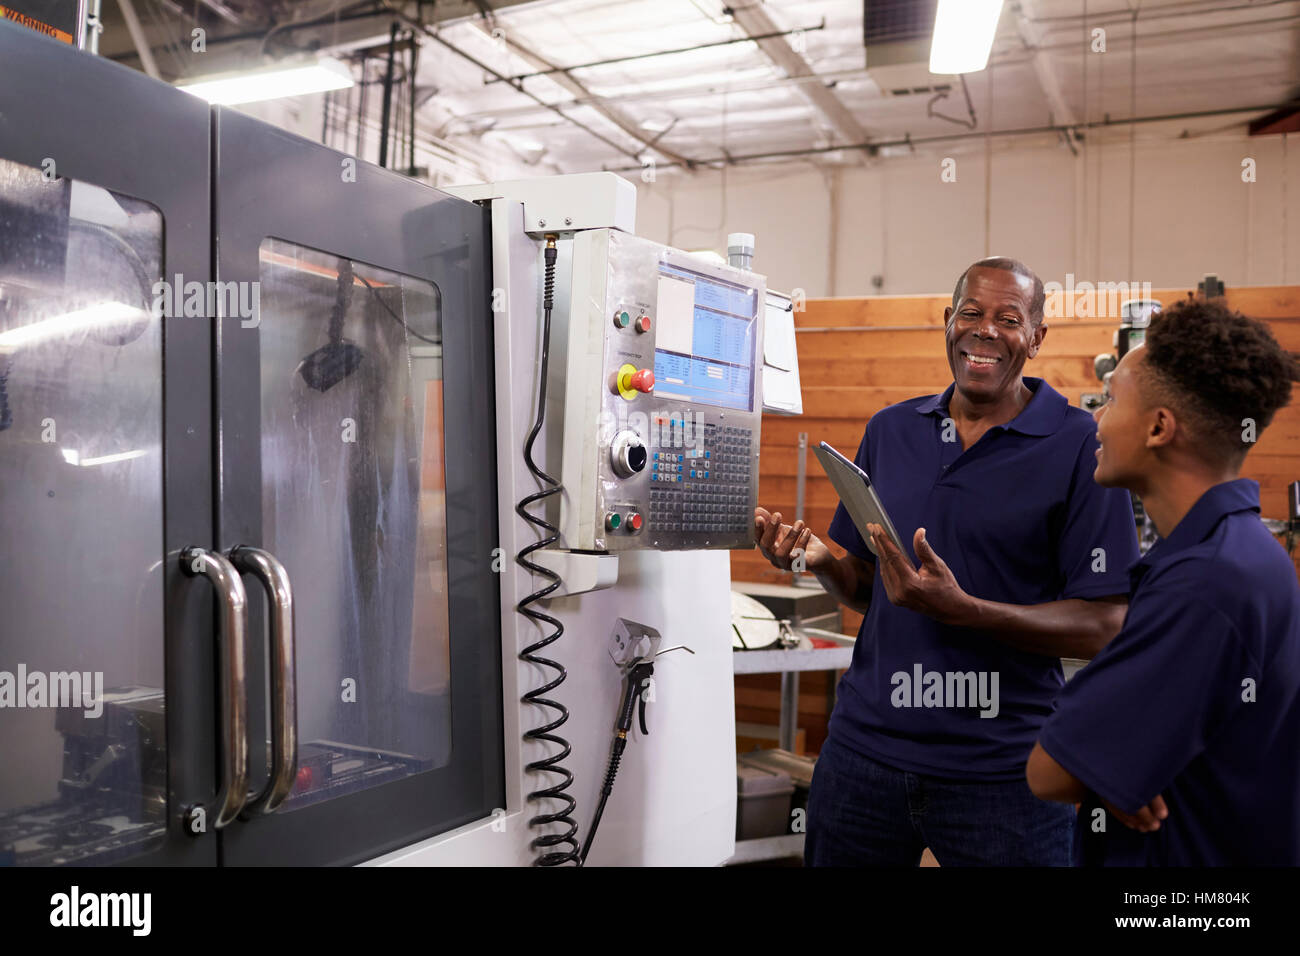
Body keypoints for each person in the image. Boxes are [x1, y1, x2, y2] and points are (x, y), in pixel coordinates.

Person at [754, 257, 1140, 866]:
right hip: (862, 758)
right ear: (947, 323)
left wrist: (966, 612)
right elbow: (870, 589)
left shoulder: (1080, 447)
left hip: (1005, 774)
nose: (986, 330)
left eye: (1009, 319)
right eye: (972, 313)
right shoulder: (891, 430)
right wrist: (824, 560)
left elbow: (1104, 626)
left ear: (1037, 338)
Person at [1026, 299, 1300, 865]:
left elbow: (1050, 771)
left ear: (1158, 427)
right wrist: (1120, 764)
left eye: (1112, 402)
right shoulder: (1243, 555)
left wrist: (1105, 762)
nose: (1096, 420)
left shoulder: (1204, 583)